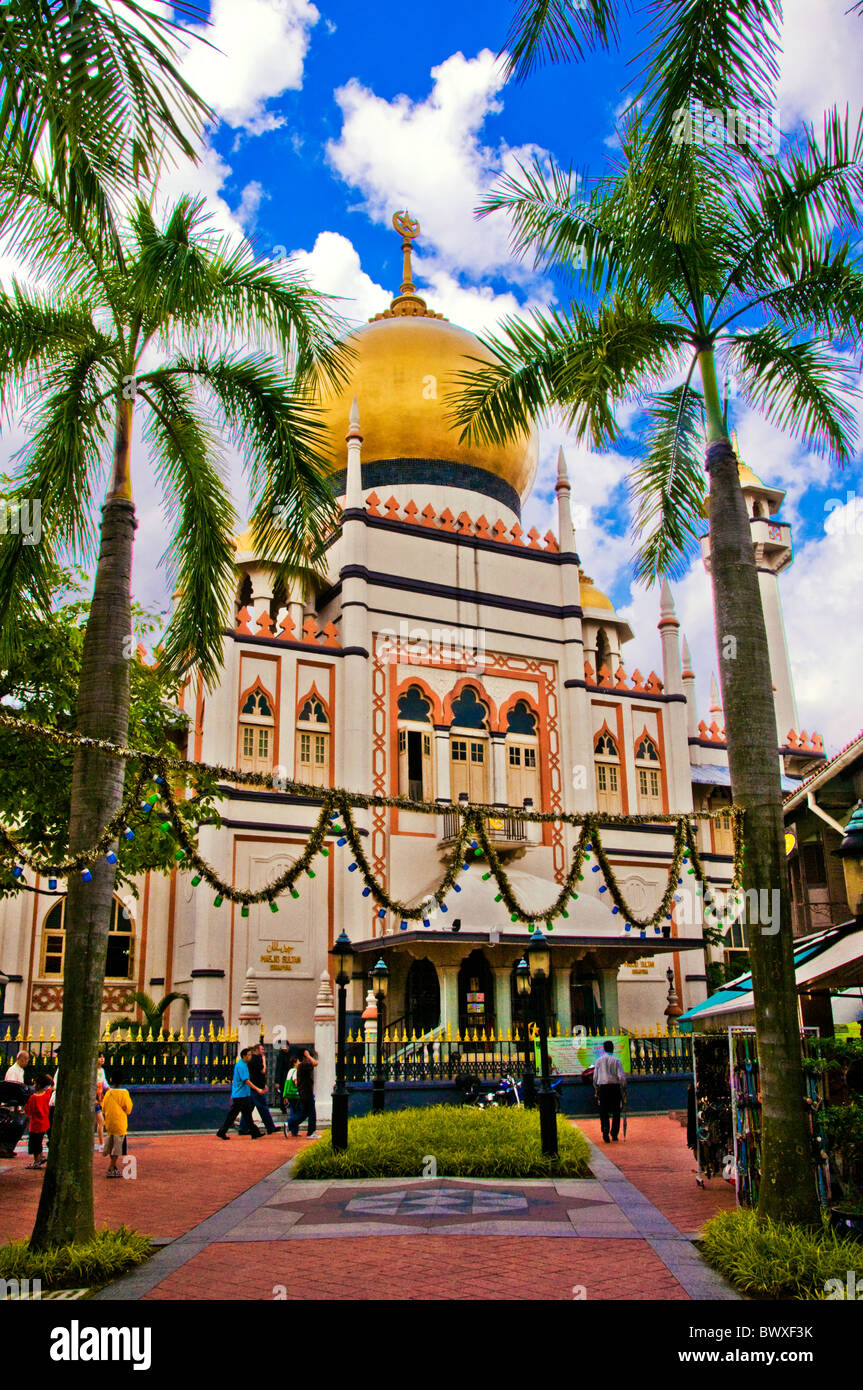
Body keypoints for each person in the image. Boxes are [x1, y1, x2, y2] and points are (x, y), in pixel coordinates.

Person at [217, 1047, 263, 1139]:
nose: (250, 1056)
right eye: (249, 1055)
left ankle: (255, 1132)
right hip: (240, 1095)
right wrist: (257, 1089)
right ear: (244, 1056)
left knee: (247, 1115)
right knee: (234, 1115)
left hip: (243, 1094)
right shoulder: (241, 1065)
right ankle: (222, 1131)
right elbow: (245, 1080)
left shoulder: (244, 1064)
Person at [593, 1040, 627, 1143]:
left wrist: (596, 1087)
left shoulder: (599, 1061)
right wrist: (624, 1087)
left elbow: (595, 1077)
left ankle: (605, 1131)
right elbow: (621, 1077)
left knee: (604, 1111)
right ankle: (614, 1133)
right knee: (616, 1111)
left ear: (604, 1048)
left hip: (603, 1088)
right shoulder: (616, 1061)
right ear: (612, 1048)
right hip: (614, 1087)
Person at [101, 1069, 133, 1178]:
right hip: (120, 1123)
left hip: (109, 1122)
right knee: (118, 1147)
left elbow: (103, 1108)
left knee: (111, 1145)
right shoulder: (124, 1093)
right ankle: (111, 1167)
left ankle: (113, 1166)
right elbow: (128, 1109)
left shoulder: (108, 1093)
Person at [239, 1043, 277, 1134]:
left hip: (253, 1087)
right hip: (256, 1088)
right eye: (262, 1049)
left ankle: (243, 1128)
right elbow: (263, 1071)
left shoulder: (251, 1060)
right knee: (263, 1108)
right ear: (256, 1050)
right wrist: (264, 1059)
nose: (263, 1051)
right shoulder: (256, 1059)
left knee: (248, 1109)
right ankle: (270, 1127)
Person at [287, 1047, 320, 1139]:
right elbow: (315, 1063)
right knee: (312, 1113)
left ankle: (289, 1123)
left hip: (303, 1092)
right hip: (307, 1092)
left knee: (304, 1113)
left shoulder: (301, 1066)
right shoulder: (303, 1065)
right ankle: (310, 1132)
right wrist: (308, 1055)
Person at [24, 1074, 52, 1168]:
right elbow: (52, 1085)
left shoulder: (33, 1097)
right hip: (44, 1122)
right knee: (39, 1141)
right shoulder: (47, 1094)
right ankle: (40, 1156)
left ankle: (37, 1160)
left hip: (36, 1124)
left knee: (34, 1143)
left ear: (38, 1085)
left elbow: (28, 1110)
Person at [274, 1037, 292, 1113]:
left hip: (291, 1074)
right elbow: (278, 1068)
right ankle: (283, 1107)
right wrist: (277, 1081)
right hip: (283, 1076)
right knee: (283, 1092)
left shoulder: (292, 1052)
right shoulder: (281, 1055)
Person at [95, 1052, 107, 1150]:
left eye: (103, 1057)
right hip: (94, 1099)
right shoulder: (93, 1071)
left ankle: (101, 1143)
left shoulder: (101, 1070)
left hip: (99, 1098)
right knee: (100, 1121)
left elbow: (104, 1083)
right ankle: (101, 1144)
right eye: (100, 1057)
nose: (102, 1059)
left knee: (100, 1121)